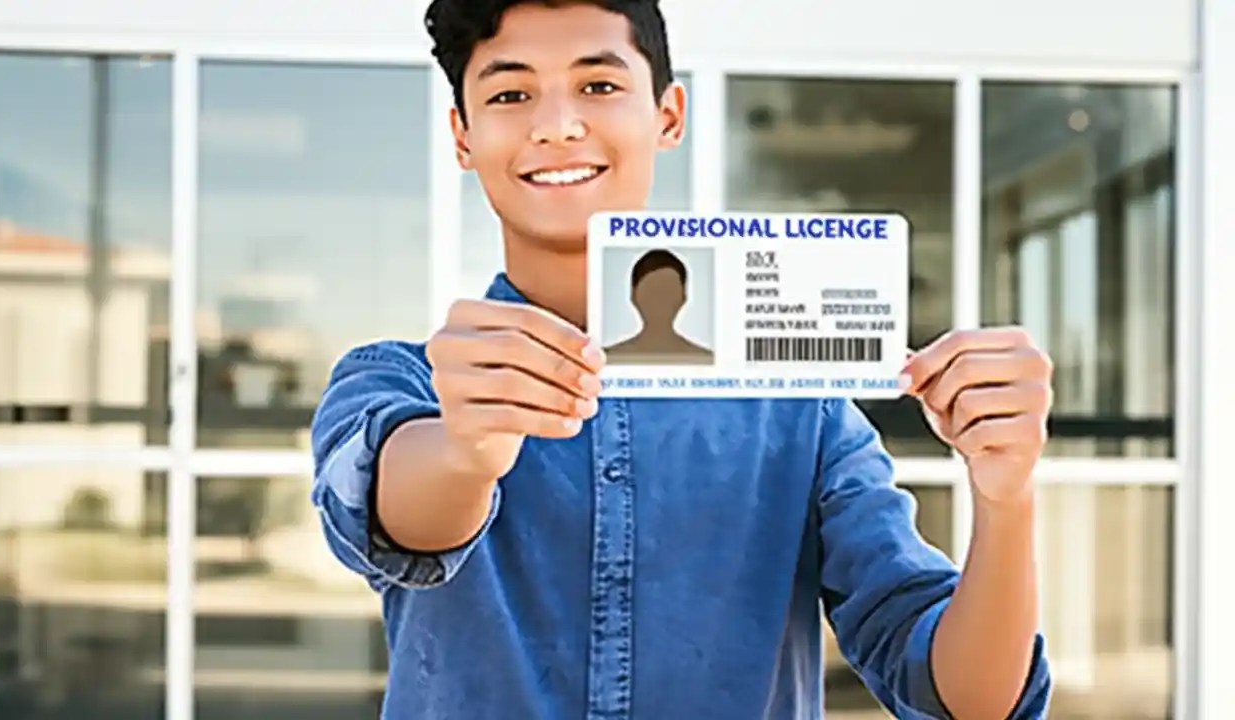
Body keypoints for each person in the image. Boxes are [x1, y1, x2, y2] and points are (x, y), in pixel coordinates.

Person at [310, 1, 1054, 718]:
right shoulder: (402, 382)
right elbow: (398, 516)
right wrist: (465, 450)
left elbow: (969, 700)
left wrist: (1006, 496)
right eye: (510, 93)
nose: (558, 125)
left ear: (668, 115)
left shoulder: (802, 409)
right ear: (463, 137)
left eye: (598, 85)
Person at [604, 248, 713, 365]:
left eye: (668, 291)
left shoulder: (705, 360)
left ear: (683, 297)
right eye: (651, 291)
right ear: (633, 295)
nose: (659, 301)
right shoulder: (607, 359)